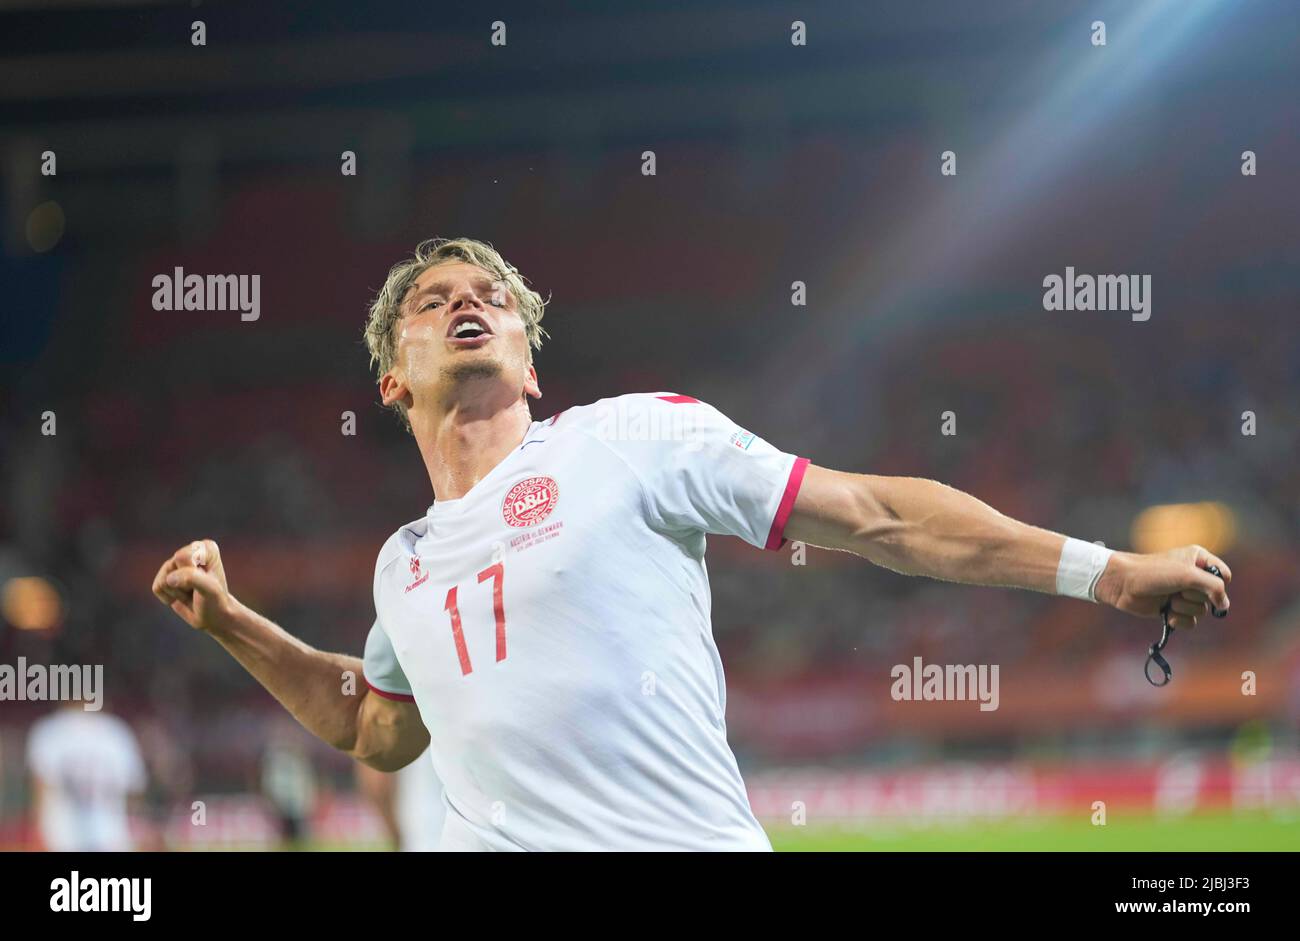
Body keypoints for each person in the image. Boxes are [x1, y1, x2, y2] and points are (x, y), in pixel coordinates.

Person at [151, 237, 1233, 851]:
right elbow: (375, 728)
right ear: (392, 375)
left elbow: (874, 514)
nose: (466, 303)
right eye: (433, 302)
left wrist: (1109, 569)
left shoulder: (634, 436)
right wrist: (233, 623)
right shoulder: (404, 560)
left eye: (491, 296)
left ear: (532, 364)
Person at [26, 700, 146, 851]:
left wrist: (39, 828)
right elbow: (134, 793)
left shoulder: (49, 730)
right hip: (111, 836)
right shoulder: (117, 731)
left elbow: (40, 786)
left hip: (61, 837)